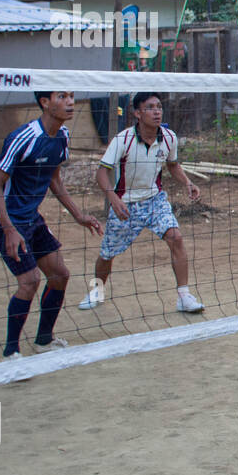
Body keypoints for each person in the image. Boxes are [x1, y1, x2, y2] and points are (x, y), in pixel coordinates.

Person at [0, 91, 103, 359]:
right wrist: (9, 229)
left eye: (72, 96)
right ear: (45, 103)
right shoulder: (23, 137)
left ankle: (43, 341)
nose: (70, 102)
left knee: (60, 275)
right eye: (62, 96)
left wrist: (78, 215)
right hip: (3, 218)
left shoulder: (62, 137)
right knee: (29, 281)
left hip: (30, 217)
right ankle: (11, 352)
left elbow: (55, 179)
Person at [78, 91, 205, 313]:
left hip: (155, 200)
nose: (157, 111)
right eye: (150, 107)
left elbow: (172, 165)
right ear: (137, 113)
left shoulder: (168, 137)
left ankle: (184, 297)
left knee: (176, 237)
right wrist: (113, 199)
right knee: (107, 254)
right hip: (125, 205)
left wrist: (187, 182)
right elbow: (101, 173)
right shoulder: (123, 139)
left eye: (159, 106)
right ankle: (96, 291)